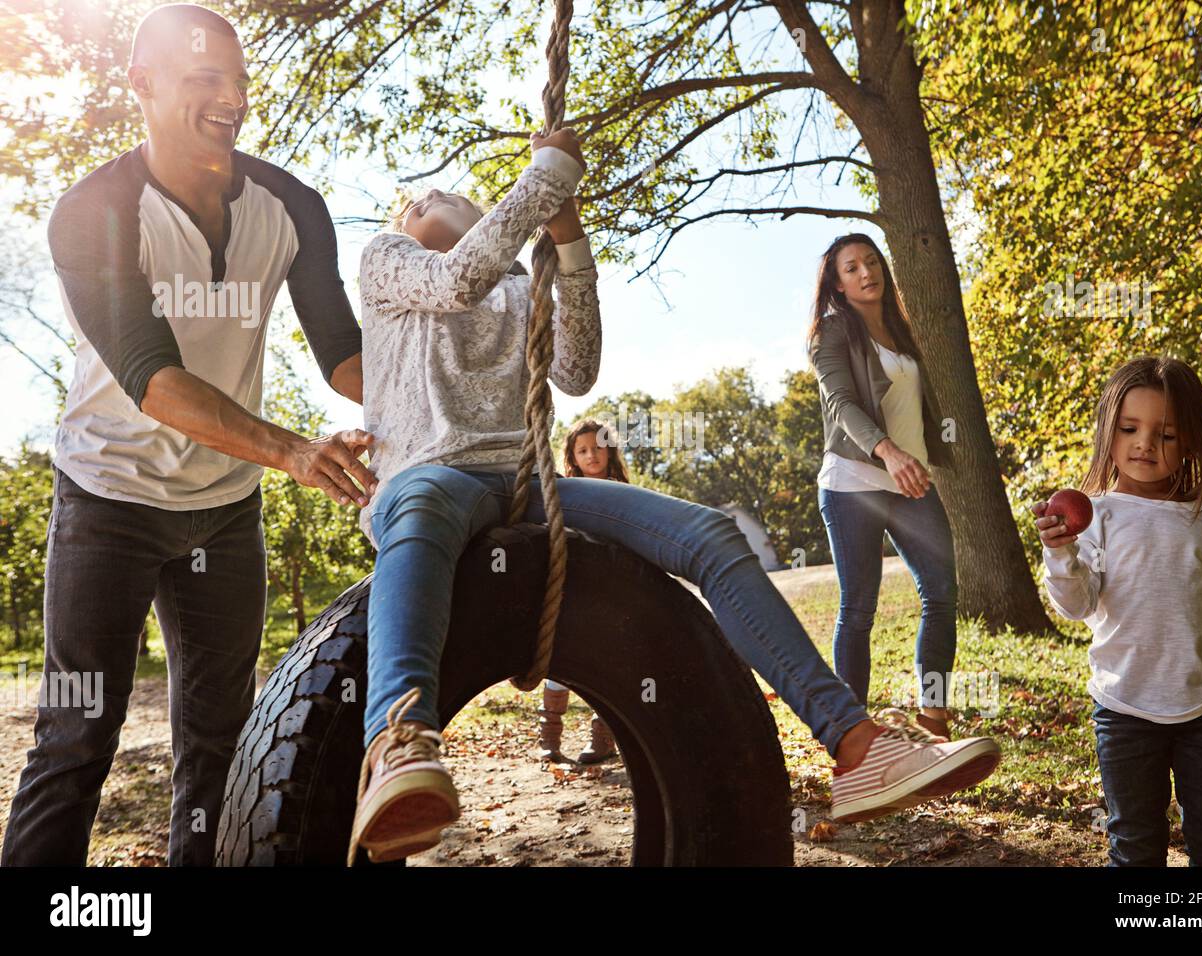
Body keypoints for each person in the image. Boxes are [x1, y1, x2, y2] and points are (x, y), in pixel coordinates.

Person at [346, 129, 1001, 864]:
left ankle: (857, 746)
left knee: (712, 537)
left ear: (481, 211)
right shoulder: (388, 260)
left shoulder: (519, 284)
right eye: (417, 201)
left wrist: (571, 243)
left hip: (530, 486)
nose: (429, 198)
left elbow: (575, 368)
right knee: (423, 508)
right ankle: (399, 741)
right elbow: (458, 279)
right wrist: (548, 175)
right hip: (434, 474)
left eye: (449, 193)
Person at [2, 4, 376, 867]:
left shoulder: (292, 206)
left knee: (218, 745)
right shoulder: (91, 211)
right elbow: (151, 376)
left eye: (238, 79)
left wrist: (452, 392)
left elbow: (344, 356)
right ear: (140, 83)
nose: (230, 96)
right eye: (204, 78)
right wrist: (290, 451)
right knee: (74, 739)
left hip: (224, 511)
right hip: (105, 501)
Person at [1035, 355, 1202, 866]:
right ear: (1109, 431)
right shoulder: (1098, 514)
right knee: (1135, 848)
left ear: (1193, 440)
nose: (1145, 444)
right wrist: (1061, 553)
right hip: (1125, 710)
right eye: (1130, 428)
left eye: (1167, 434)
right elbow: (1077, 606)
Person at [808, 234, 960, 739]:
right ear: (837, 282)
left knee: (940, 592)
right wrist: (887, 451)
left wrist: (915, 456)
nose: (865, 271)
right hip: (854, 483)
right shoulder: (833, 332)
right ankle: (852, 734)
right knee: (859, 608)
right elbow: (841, 404)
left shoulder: (898, 330)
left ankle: (933, 719)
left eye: (871, 261)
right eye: (851, 267)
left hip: (909, 481)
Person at [535, 418, 631, 764]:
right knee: (560, 660)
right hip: (574, 587)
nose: (592, 455)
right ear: (573, 457)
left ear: (609, 450)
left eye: (597, 448)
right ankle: (549, 738)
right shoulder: (566, 492)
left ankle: (603, 737)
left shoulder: (624, 491)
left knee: (607, 662)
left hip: (610, 589)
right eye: (583, 450)